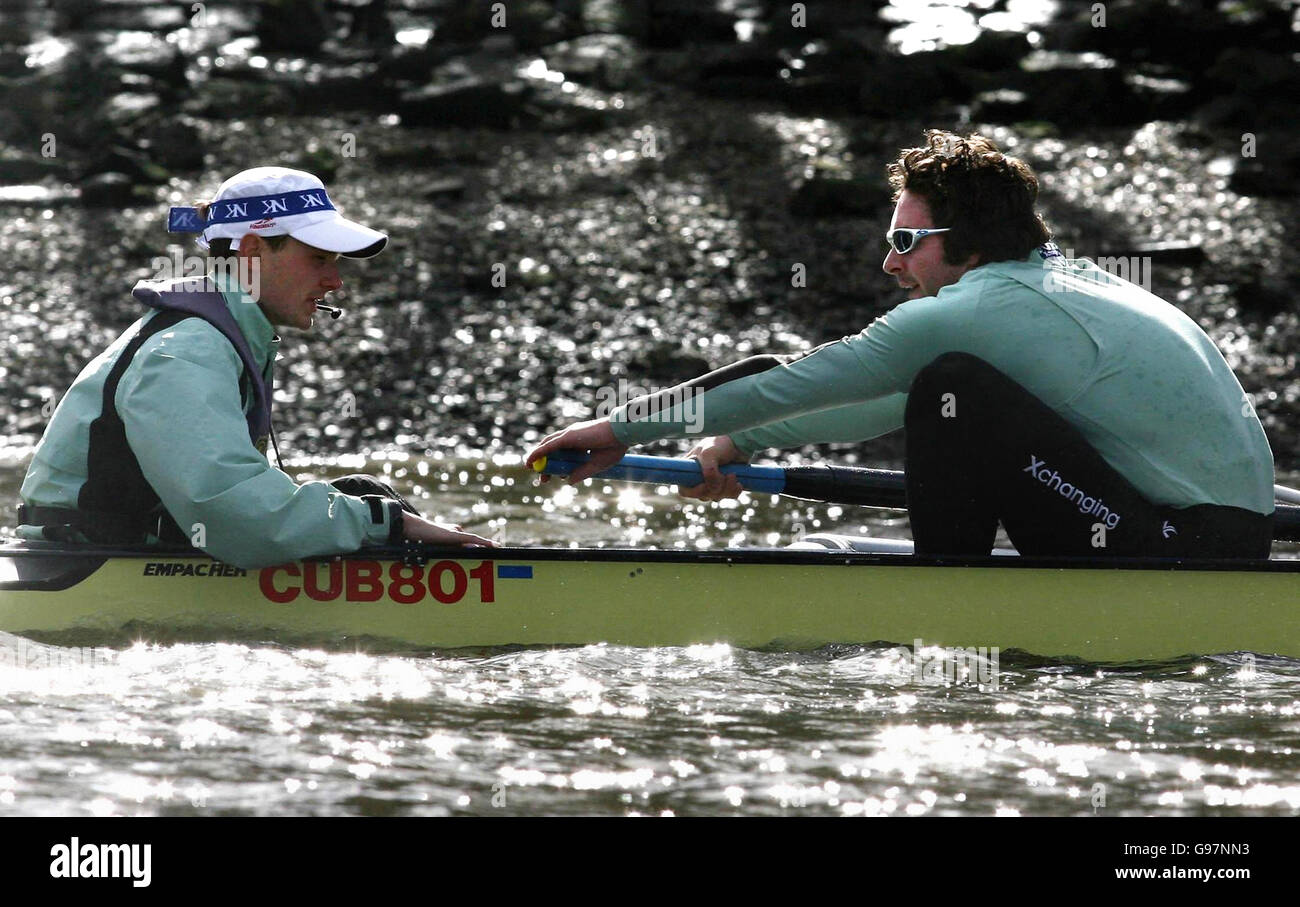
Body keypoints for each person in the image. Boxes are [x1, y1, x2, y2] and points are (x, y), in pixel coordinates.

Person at [525, 131, 1275, 559]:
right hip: (1215, 535)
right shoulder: (1065, 284)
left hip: (1176, 543)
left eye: (905, 240)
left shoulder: (974, 309)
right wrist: (736, 444)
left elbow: (796, 380)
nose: (890, 262)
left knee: (956, 383)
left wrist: (617, 428)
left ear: (970, 241)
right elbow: (885, 403)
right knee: (949, 391)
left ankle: (945, 594)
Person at [17, 166, 493, 567]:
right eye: (319, 259)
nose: (335, 281)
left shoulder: (221, 335)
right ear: (251, 251)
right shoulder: (186, 353)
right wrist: (384, 521)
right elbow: (236, 516)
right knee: (374, 512)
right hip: (85, 566)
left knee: (361, 493)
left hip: (129, 548)